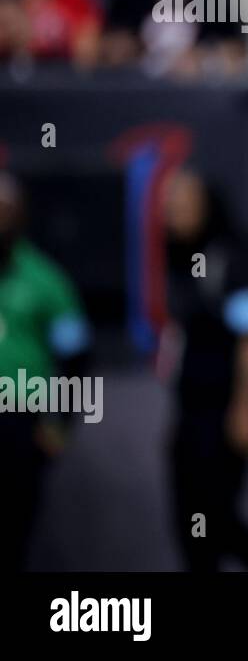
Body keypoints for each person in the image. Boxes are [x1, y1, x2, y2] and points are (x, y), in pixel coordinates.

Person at [161, 165, 248, 571]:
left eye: (184, 203)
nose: (174, 213)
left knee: (215, 518)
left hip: (226, 411)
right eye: (169, 205)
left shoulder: (235, 258)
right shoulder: (182, 260)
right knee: (190, 522)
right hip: (192, 410)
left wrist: (247, 410)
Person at [0, 171, 91, 570]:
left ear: (20, 217)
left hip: (18, 418)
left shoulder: (46, 280)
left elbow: (78, 360)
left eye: (4, 210)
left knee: (12, 532)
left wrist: (62, 424)